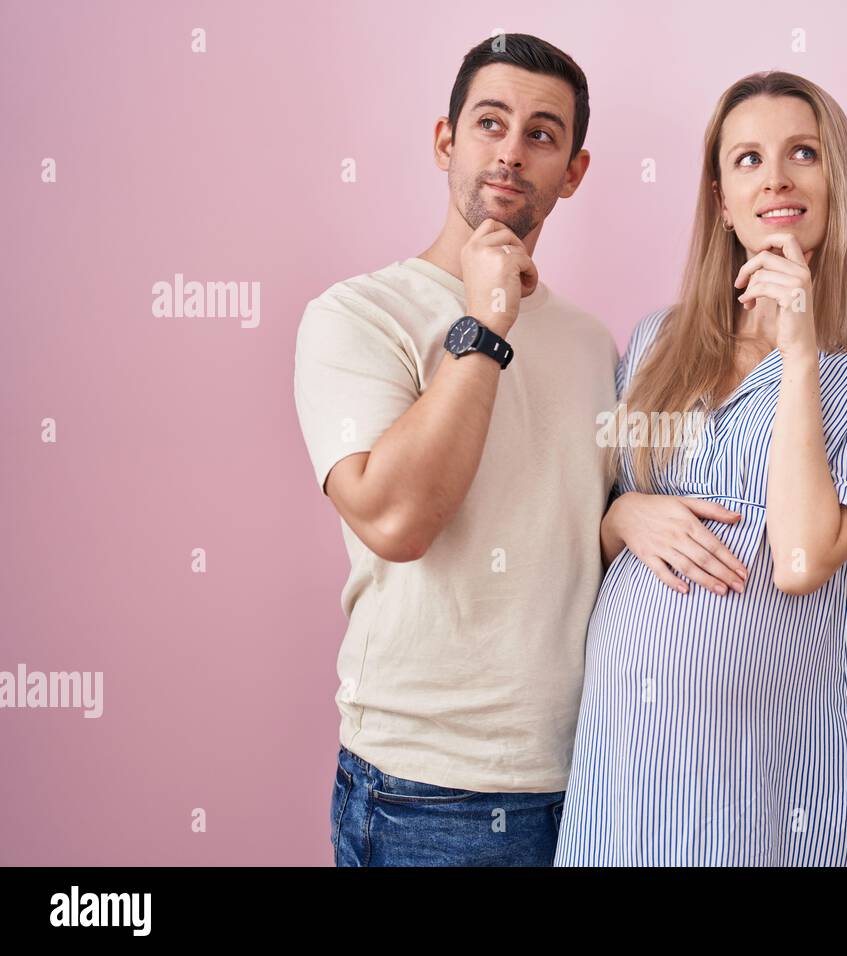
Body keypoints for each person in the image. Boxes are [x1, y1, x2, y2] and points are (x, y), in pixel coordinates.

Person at [553, 70, 847, 866]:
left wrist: (800, 349)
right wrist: (621, 517)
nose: (776, 178)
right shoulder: (659, 340)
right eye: (748, 159)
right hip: (625, 772)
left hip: (773, 781)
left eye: (803, 153)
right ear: (721, 197)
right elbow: (592, 537)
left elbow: (800, 561)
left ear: (836, 182)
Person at [292, 34, 617, 866]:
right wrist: (486, 323)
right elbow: (397, 520)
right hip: (426, 797)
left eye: (543, 134)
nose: (511, 152)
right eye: (490, 123)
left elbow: (584, 537)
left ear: (573, 172)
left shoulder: (591, 346)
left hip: (591, 780)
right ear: (447, 140)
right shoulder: (357, 315)